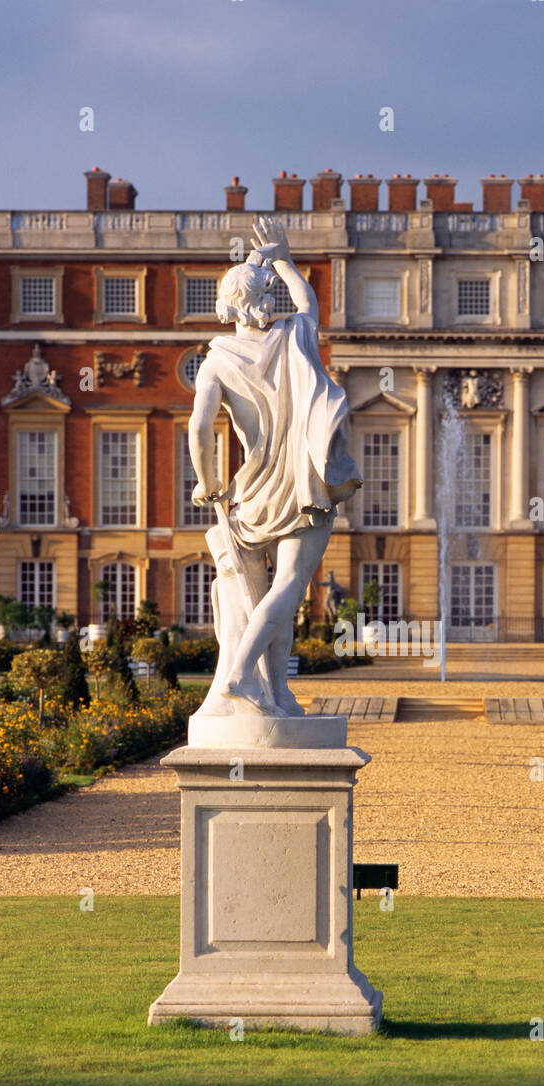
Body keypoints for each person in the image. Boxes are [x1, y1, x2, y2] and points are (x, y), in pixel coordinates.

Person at [187, 219, 361, 716]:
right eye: (268, 294)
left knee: (272, 597)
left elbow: (199, 428)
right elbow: (309, 303)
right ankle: (241, 675)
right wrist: (284, 258)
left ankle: (278, 692)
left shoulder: (215, 362)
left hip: (253, 493)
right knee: (287, 587)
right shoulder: (293, 336)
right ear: (257, 302)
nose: (274, 303)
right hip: (303, 486)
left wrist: (207, 482)